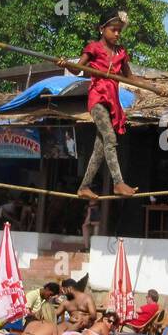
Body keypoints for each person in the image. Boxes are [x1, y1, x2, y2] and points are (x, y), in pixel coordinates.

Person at [60, 11, 138, 199]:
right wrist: (65, 64)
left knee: (100, 147)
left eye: (119, 31)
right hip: (97, 99)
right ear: (102, 29)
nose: (117, 34)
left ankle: (84, 187)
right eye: (113, 30)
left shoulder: (121, 52)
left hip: (112, 101)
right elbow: (78, 68)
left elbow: (130, 77)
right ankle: (118, 183)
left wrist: (153, 87)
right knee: (110, 138)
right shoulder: (94, 47)